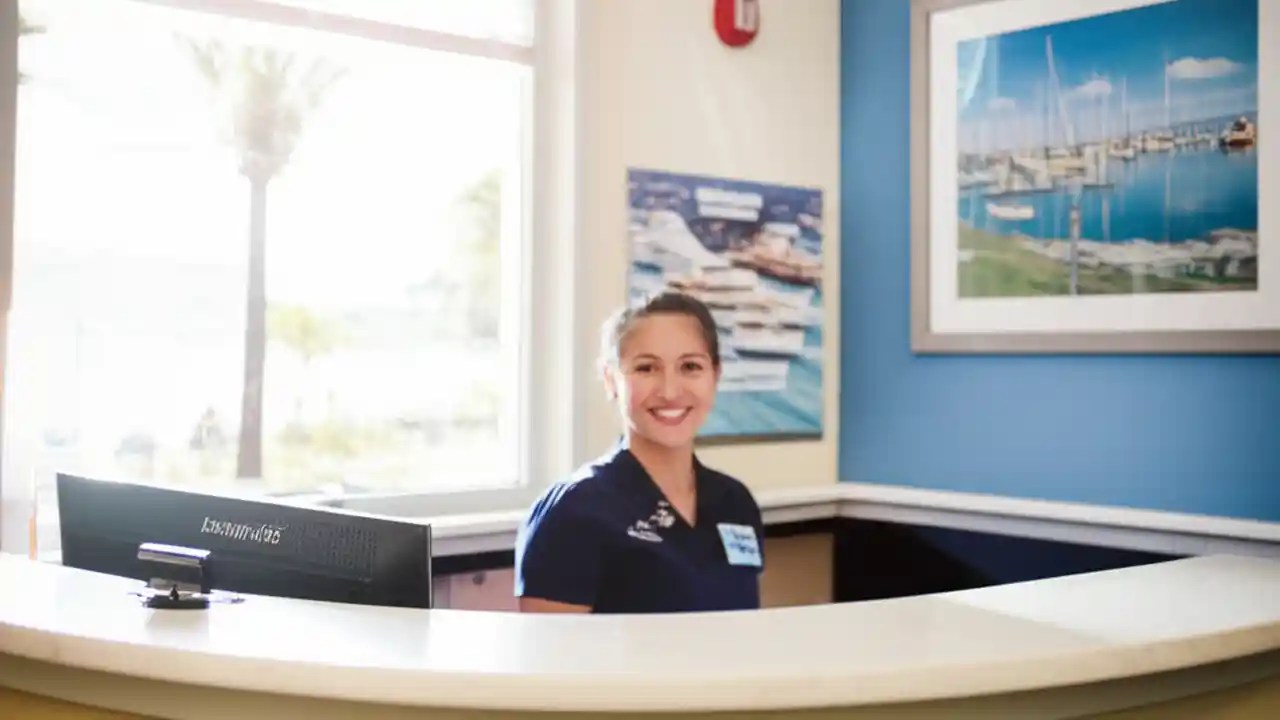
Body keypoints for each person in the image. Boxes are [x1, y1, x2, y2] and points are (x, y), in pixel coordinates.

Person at [514, 291, 766, 614]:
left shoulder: (735, 502)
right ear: (611, 380)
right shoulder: (572, 512)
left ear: (715, 375)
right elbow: (552, 659)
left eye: (690, 366)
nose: (670, 391)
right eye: (646, 368)